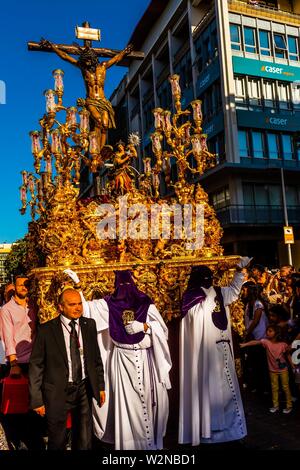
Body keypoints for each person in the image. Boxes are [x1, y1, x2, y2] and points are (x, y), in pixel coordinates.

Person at [64, 269, 172, 450]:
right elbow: (86, 309)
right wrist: (78, 285)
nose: (125, 289)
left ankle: (150, 446)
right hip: (121, 361)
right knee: (127, 404)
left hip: (145, 359)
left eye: (127, 285)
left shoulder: (146, 303)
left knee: (148, 400)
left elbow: (163, 330)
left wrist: (144, 326)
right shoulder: (108, 305)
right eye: (121, 286)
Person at [178, 257, 251, 445]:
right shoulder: (191, 297)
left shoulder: (218, 292)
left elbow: (234, 292)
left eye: (210, 278)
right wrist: (208, 299)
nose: (210, 281)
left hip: (223, 347)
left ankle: (231, 430)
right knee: (211, 391)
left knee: (227, 391)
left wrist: (238, 272)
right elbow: (194, 321)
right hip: (206, 352)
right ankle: (209, 431)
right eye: (206, 278)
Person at [29, 288, 105, 450]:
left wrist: (100, 386)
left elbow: (96, 359)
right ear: (61, 307)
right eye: (72, 305)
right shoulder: (46, 330)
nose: (78, 308)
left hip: (84, 388)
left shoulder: (89, 325)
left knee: (84, 438)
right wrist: (36, 399)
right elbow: (36, 366)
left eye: (79, 304)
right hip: (56, 392)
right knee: (58, 439)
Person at [40, 38, 133, 151]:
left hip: (103, 101)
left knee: (104, 125)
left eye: (89, 60)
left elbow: (116, 58)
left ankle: (102, 150)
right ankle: (95, 149)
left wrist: (124, 52)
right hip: (91, 101)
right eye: (85, 61)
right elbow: (65, 57)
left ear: (94, 59)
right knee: (98, 121)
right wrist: (52, 47)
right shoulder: (84, 69)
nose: (87, 63)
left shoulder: (103, 67)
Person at [0, 275, 44, 450]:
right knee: (21, 403)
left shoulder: (35, 304)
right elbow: (7, 337)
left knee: (37, 399)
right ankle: (19, 439)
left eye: (26, 284)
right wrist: (13, 363)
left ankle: (36, 436)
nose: (24, 287)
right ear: (15, 288)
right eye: (20, 285)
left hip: (38, 357)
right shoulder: (7, 309)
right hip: (20, 360)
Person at [241, 324, 293, 414]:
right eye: (267, 331)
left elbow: (288, 355)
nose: (267, 332)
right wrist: (245, 344)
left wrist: (292, 365)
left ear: (276, 333)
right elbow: (255, 342)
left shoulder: (283, 345)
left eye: (270, 331)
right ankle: (275, 406)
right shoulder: (266, 342)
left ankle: (289, 406)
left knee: (285, 387)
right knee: (274, 388)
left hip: (283, 370)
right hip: (272, 370)